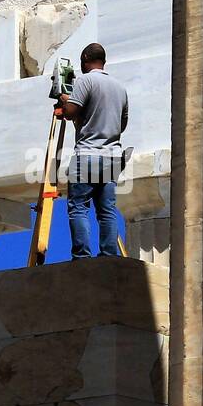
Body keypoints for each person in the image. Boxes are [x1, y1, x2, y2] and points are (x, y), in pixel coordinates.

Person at [56, 42, 129, 258]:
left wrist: (65, 100)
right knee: (106, 211)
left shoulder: (85, 81)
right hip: (112, 156)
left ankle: (82, 256)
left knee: (79, 208)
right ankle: (108, 254)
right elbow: (121, 125)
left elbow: (70, 112)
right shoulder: (119, 87)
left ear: (86, 58)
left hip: (88, 154)